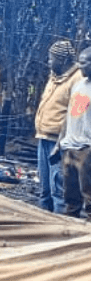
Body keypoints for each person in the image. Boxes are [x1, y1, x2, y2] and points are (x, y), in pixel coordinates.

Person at [34, 41, 82, 213]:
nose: (48, 62)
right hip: (44, 137)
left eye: (51, 59)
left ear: (61, 60)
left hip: (59, 142)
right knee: (45, 188)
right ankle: (42, 224)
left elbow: (75, 116)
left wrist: (61, 143)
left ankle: (59, 229)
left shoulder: (78, 79)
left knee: (59, 189)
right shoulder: (55, 75)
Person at [56, 46, 91, 218]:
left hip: (87, 148)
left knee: (89, 194)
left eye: (84, 63)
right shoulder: (78, 86)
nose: (79, 66)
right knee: (70, 196)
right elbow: (70, 115)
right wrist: (60, 143)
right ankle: (69, 233)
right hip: (70, 146)